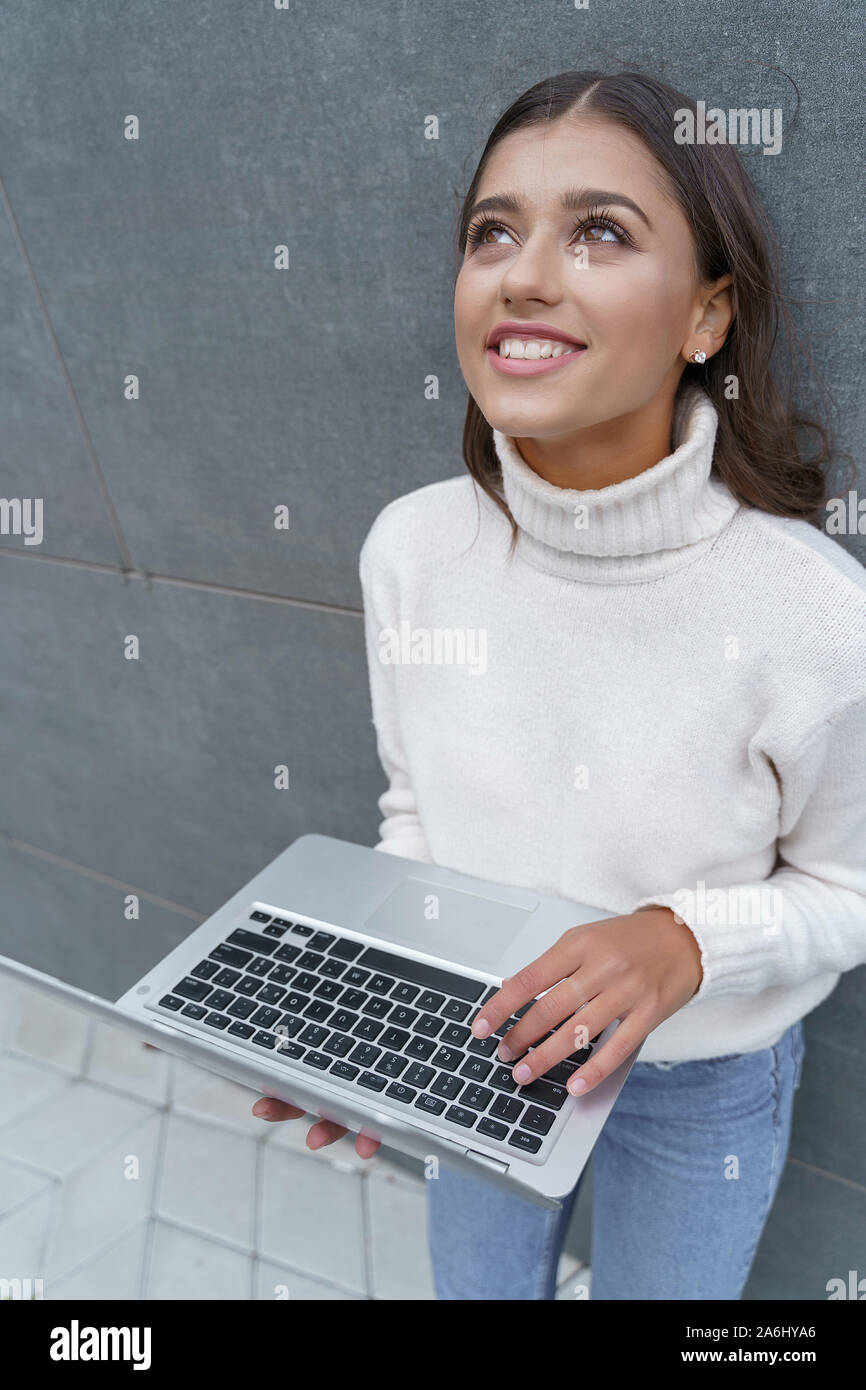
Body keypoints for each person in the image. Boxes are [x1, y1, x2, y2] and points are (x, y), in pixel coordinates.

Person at [252, 69, 866, 1300]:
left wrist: (683, 941)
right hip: (480, 1036)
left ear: (706, 317)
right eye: (492, 231)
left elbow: (851, 886)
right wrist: (382, 1015)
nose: (522, 274)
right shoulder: (411, 550)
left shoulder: (811, 611)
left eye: (598, 230)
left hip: (704, 1083)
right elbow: (415, 807)